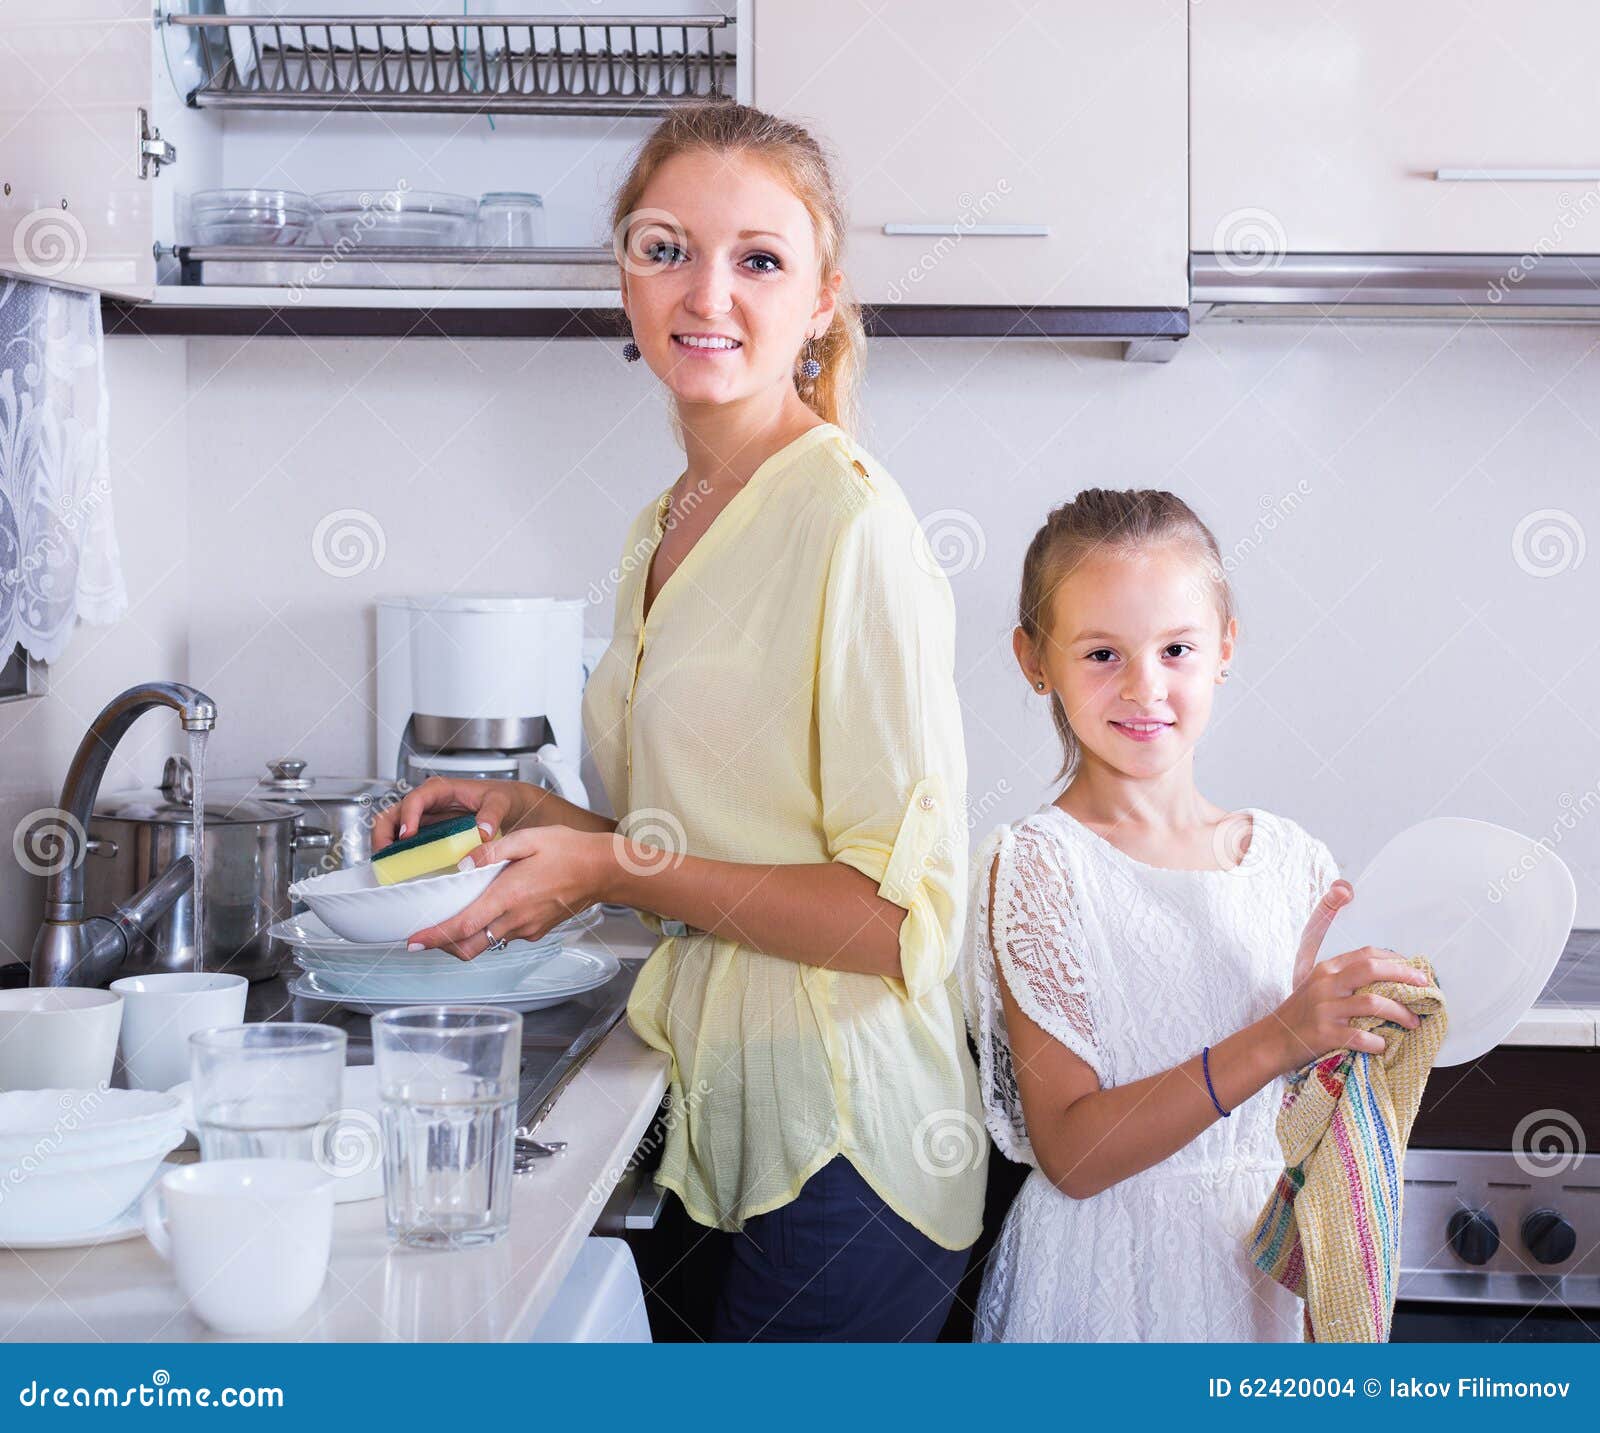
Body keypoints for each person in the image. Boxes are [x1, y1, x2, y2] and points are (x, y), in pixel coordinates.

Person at [373, 103, 986, 1342]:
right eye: (667, 248)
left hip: (847, 1153)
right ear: (626, 274)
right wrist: (552, 821)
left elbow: (888, 921)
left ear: (821, 300)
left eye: (759, 258)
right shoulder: (664, 524)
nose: (708, 290)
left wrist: (607, 862)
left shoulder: (851, 526)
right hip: (716, 1125)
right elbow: (701, 852)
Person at [960, 488, 1430, 1342]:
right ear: (1035, 661)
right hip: (1107, 1280)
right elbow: (1073, 1153)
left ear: (1224, 649)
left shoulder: (1293, 861)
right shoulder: (1037, 863)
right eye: (1102, 652)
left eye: (1176, 647)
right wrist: (1280, 1036)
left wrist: (1340, 1045)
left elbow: (1313, 1106)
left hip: (1263, 1272)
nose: (1146, 685)